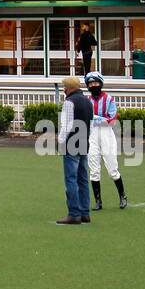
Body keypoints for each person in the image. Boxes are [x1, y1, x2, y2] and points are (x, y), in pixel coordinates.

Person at [85, 71, 126, 210]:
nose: (93, 85)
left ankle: (122, 196)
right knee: (94, 169)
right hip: (92, 134)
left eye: (95, 83)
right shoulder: (87, 101)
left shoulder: (109, 99)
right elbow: (85, 119)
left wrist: (95, 118)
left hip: (107, 134)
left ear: (100, 84)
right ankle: (98, 201)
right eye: (90, 84)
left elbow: (112, 120)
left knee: (112, 169)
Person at [56, 75, 92, 225]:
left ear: (69, 88)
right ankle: (85, 212)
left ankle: (74, 214)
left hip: (71, 143)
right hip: (84, 142)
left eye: (64, 86)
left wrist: (60, 142)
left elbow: (67, 125)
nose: (63, 89)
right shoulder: (88, 101)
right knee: (83, 178)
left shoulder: (69, 102)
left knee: (71, 179)